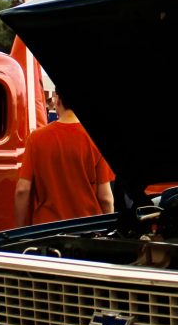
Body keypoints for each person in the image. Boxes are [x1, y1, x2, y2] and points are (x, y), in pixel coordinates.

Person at [13, 90, 114, 225]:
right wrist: (110, 227)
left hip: (47, 228)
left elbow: (22, 189)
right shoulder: (95, 140)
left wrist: (20, 229)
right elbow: (105, 198)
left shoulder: (36, 138)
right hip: (88, 227)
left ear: (57, 100)